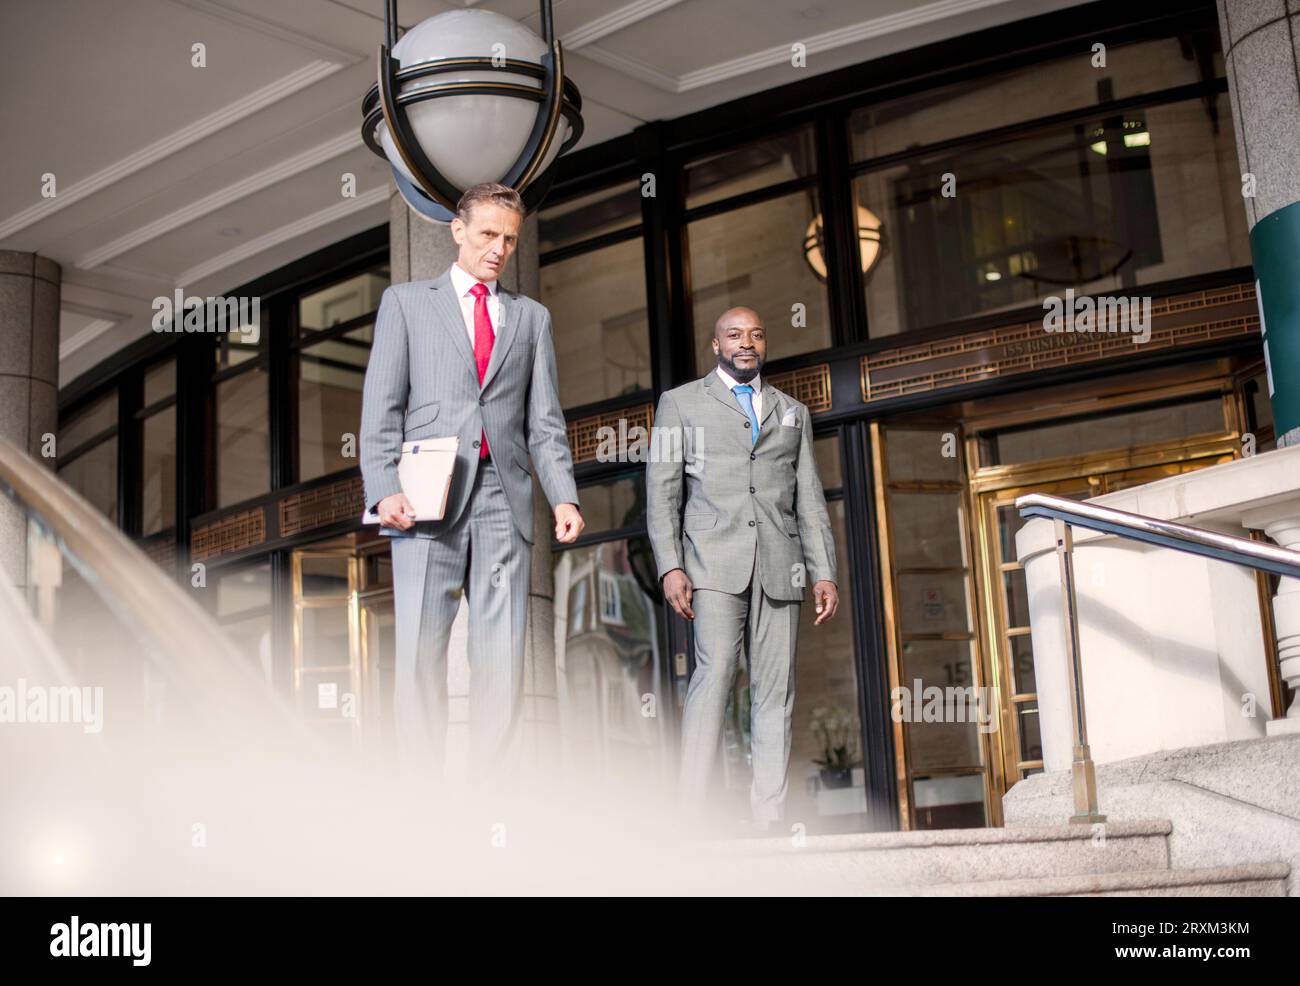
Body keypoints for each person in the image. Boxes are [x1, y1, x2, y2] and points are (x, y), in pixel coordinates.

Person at [360, 182, 583, 783]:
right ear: (457, 231)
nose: (498, 249)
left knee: (502, 656)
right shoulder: (407, 304)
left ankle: (492, 796)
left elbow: (544, 422)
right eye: (487, 234)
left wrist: (563, 495)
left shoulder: (532, 318)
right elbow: (381, 407)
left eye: (509, 239)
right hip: (424, 497)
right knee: (419, 652)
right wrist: (383, 486)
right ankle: (424, 794)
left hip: (502, 496)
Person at [646, 306, 838, 827]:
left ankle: (769, 815)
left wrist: (823, 571)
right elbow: (662, 493)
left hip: (781, 566)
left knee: (776, 690)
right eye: (734, 335)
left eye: (756, 334)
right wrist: (670, 566)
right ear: (717, 346)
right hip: (711, 565)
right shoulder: (680, 403)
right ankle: (691, 813)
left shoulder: (793, 412)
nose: (746, 342)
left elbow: (809, 499)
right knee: (714, 676)